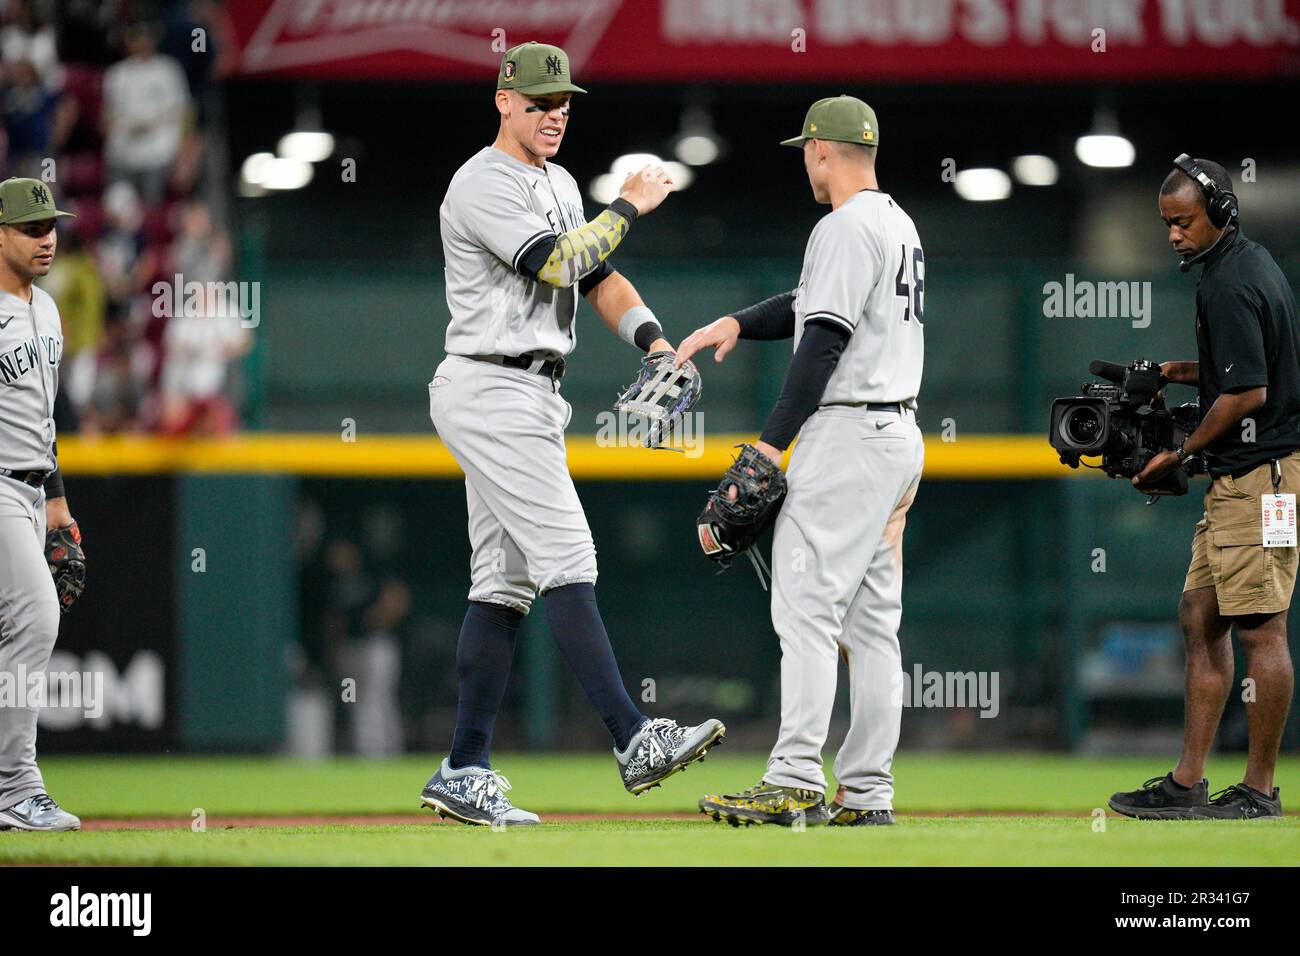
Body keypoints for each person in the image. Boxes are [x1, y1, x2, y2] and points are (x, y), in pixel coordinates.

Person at [422, 42, 724, 827]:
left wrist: (653, 339)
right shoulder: (479, 181)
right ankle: (632, 738)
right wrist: (625, 206)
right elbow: (557, 263)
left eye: (563, 102)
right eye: (539, 101)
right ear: (503, 100)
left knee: (504, 584)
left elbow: (599, 279)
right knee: (570, 558)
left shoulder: (556, 182)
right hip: (490, 381)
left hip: (529, 390)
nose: (554, 113)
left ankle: (463, 766)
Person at [676, 96, 925, 827]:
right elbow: (809, 305)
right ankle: (869, 792)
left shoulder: (842, 226)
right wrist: (736, 322)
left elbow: (822, 342)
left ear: (822, 149)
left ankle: (792, 779)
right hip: (899, 437)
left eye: (806, 152)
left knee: (808, 610)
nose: (805, 165)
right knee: (874, 624)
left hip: (848, 436)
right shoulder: (897, 224)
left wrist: (770, 443)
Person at [1111, 155, 1298, 820]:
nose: (1173, 235)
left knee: (1262, 631)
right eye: (1167, 224)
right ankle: (1189, 782)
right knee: (1200, 615)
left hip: (1263, 476)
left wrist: (1177, 454)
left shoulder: (1228, 281)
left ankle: (1260, 788)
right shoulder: (1243, 265)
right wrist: (1173, 371)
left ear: (1219, 212)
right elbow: (1236, 371)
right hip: (1238, 478)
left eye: (1184, 221)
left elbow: (1249, 391)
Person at [0, 177, 82, 831]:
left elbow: (42, 420)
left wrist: (56, 503)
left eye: (49, 226)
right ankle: (16, 787)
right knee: (36, 618)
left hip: (31, 491)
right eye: (30, 228)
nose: (46, 238)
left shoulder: (49, 309)